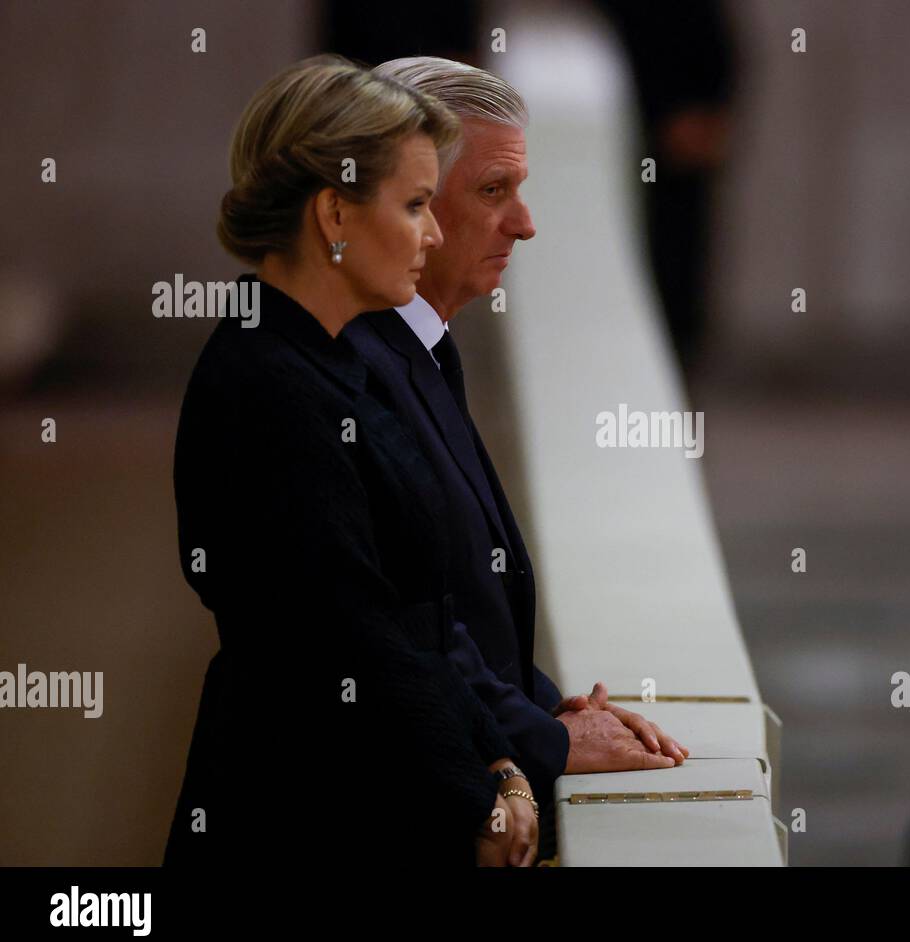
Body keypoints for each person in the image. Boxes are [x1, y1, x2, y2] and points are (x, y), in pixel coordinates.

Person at [165, 54, 534, 868]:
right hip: (303, 825)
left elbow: (412, 622)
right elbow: (348, 635)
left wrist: (502, 758)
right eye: (413, 205)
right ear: (334, 215)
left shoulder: (327, 364)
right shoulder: (268, 385)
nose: (432, 230)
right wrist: (482, 791)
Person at [343, 58, 689, 824]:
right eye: (493, 192)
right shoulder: (355, 370)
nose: (525, 223)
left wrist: (553, 710)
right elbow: (397, 623)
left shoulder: (424, 347)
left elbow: (451, 607)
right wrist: (548, 740)